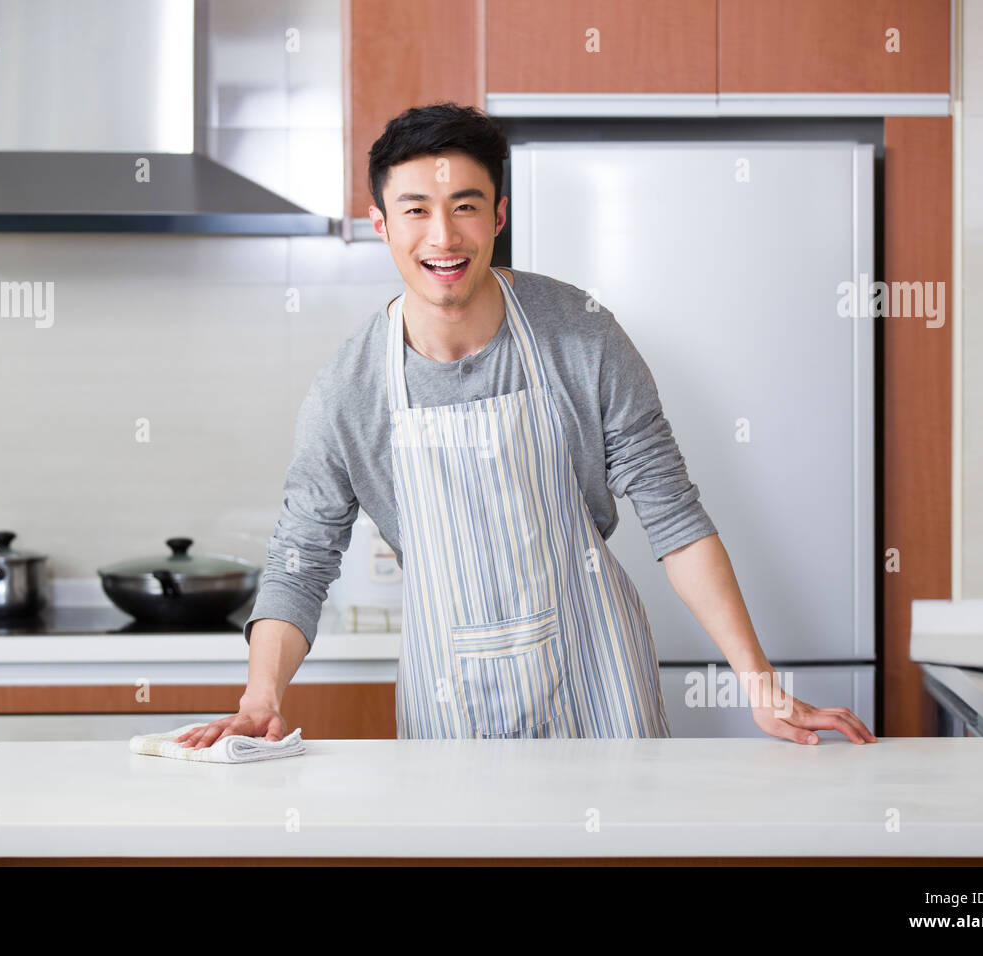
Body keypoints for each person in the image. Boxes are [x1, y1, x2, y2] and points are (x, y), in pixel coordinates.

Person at [179, 102, 876, 747]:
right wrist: (261, 696)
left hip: (602, 685)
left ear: (500, 214)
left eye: (465, 208)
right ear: (380, 224)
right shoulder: (350, 389)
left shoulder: (580, 334)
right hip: (450, 706)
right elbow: (301, 557)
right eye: (416, 210)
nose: (443, 237)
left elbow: (674, 516)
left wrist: (759, 682)